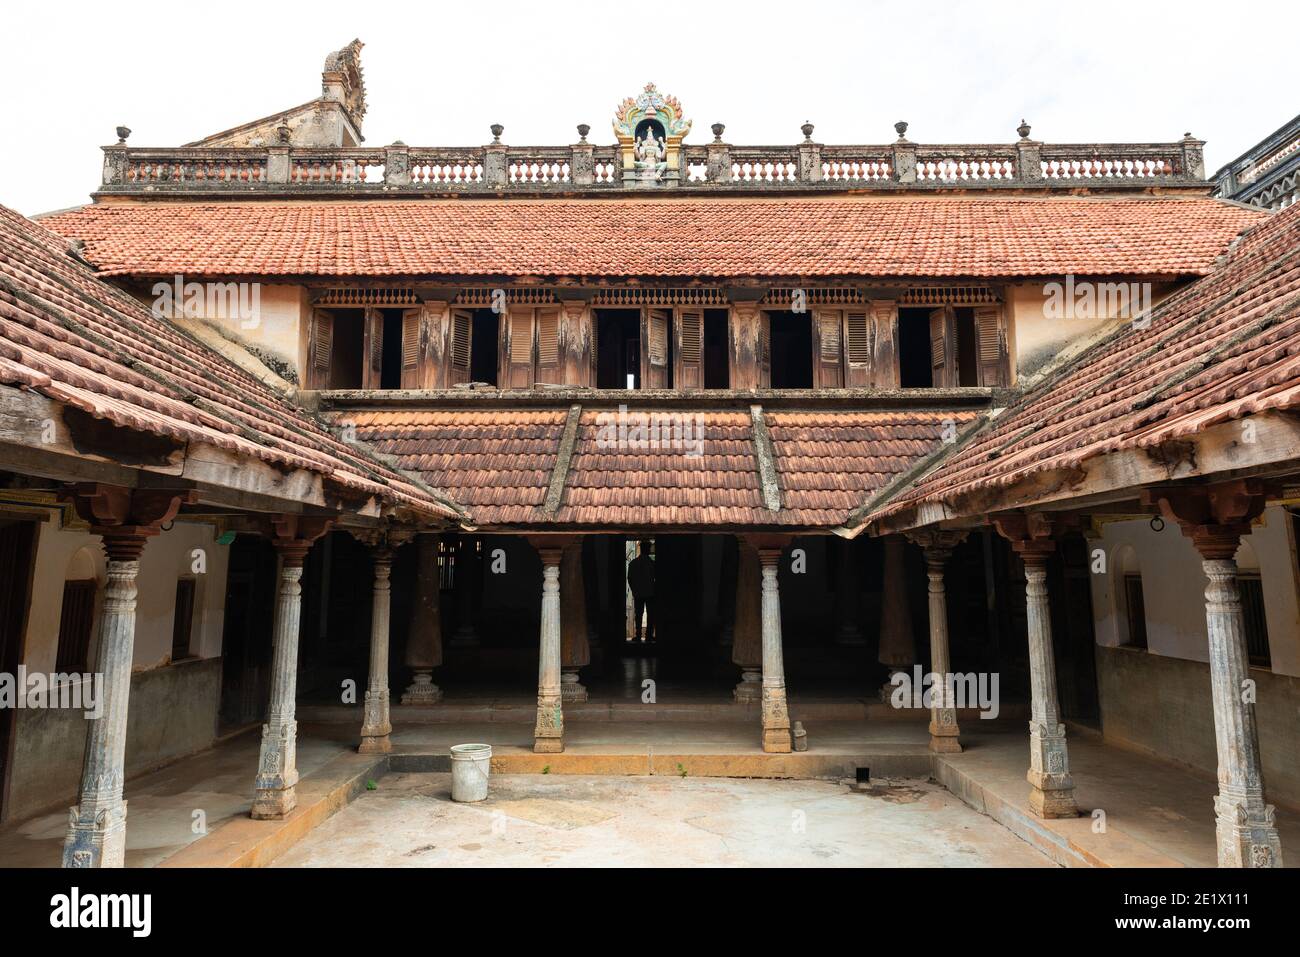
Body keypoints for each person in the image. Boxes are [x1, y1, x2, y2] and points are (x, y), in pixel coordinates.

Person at [627, 541, 656, 642]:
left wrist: (634, 590)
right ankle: (648, 635)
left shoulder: (633, 563)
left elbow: (629, 578)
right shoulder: (652, 564)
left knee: (638, 615)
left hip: (638, 592)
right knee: (651, 614)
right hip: (650, 592)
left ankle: (638, 635)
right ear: (647, 549)